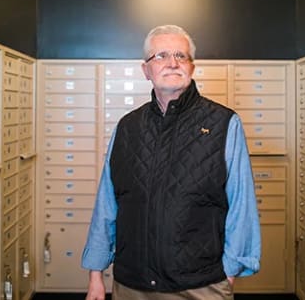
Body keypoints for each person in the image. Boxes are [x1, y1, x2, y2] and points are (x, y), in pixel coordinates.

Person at [81, 25, 261, 300]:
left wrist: (230, 272)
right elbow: (107, 204)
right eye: (161, 56)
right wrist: (95, 274)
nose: (172, 63)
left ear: (191, 67)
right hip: (132, 284)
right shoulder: (127, 127)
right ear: (146, 70)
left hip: (200, 285)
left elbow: (242, 204)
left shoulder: (224, 123)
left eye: (181, 55)